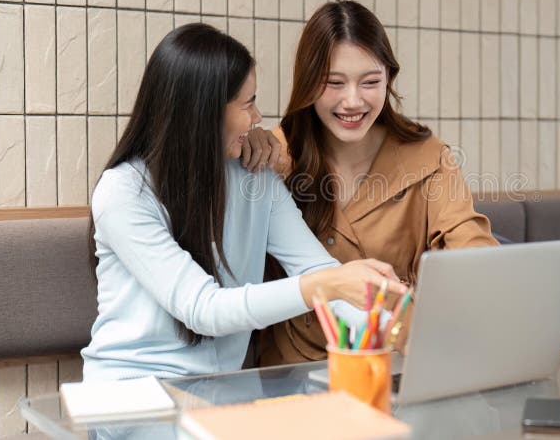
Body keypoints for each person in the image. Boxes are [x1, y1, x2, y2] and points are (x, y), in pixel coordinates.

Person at [81, 23, 406, 382]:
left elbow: (316, 270)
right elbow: (204, 310)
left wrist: (401, 329)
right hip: (129, 396)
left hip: (216, 395)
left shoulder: (255, 177)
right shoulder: (124, 192)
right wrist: (326, 286)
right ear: (204, 112)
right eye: (247, 103)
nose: (257, 118)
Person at [242, 0, 497, 366]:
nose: (353, 101)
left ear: (389, 79)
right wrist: (242, 143)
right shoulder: (271, 156)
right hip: (291, 376)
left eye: (371, 82)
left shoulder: (426, 157)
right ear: (308, 81)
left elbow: (473, 251)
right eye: (334, 83)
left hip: (393, 366)